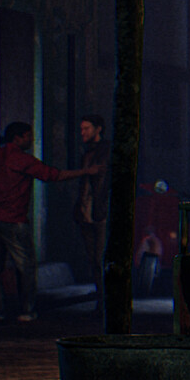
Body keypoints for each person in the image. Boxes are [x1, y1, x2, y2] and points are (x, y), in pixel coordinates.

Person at [0, 121, 101, 323]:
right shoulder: (22, 160)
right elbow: (54, 175)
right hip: (13, 218)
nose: (30, 140)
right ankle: (26, 310)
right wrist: (85, 171)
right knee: (25, 266)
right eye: (27, 136)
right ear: (17, 138)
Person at [74, 115, 110, 315]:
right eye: (82, 129)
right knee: (93, 259)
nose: (83, 133)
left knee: (100, 258)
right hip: (86, 210)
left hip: (100, 210)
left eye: (87, 128)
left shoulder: (106, 151)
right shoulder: (87, 153)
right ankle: (101, 299)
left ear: (98, 129)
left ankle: (105, 300)